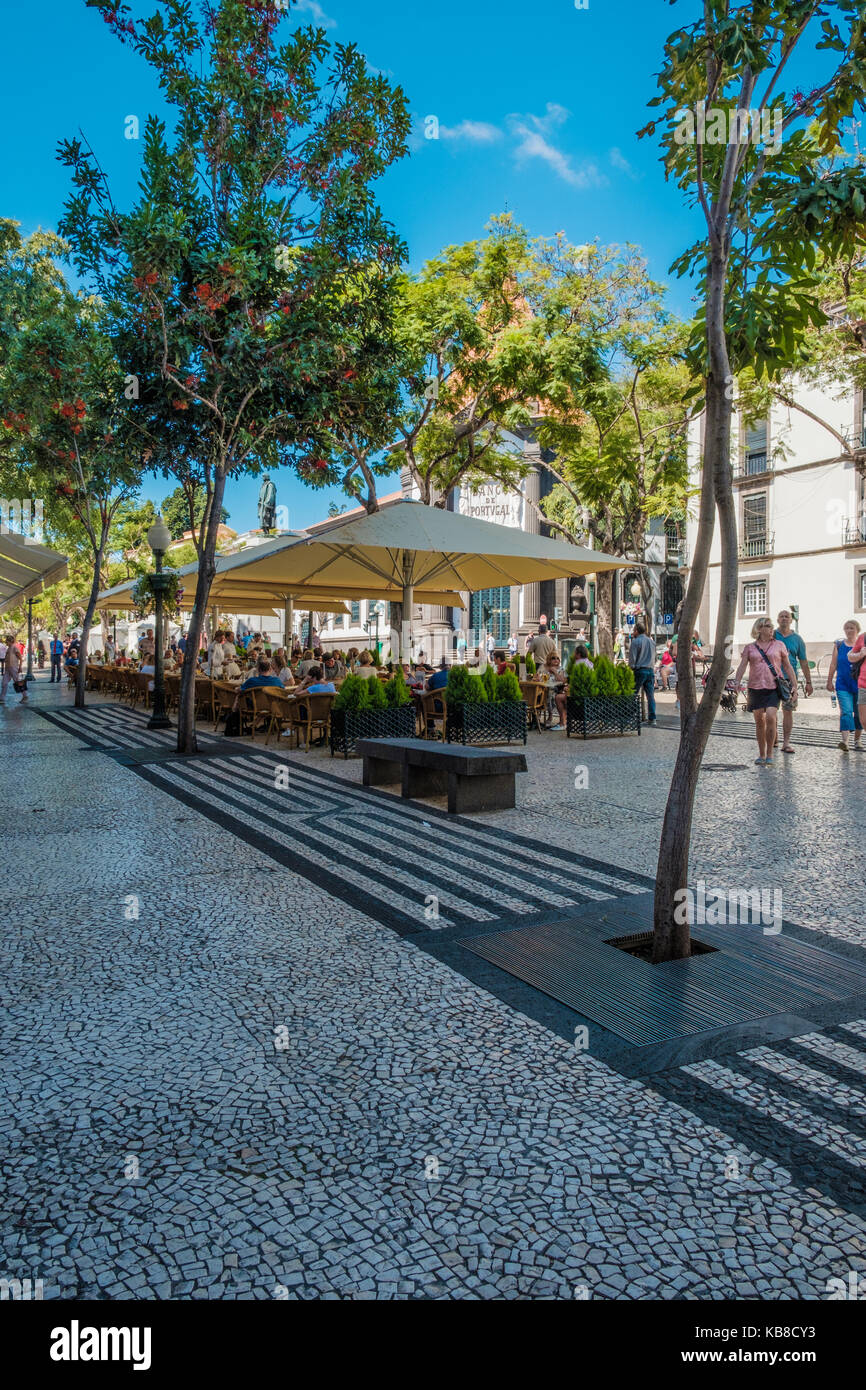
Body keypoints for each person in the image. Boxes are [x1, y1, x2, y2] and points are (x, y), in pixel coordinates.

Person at [733, 617, 797, 765]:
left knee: (770, 716)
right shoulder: (750, 647)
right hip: (755, 687)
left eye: (771, 626)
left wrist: (794, 686)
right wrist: (737, 681)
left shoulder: (779, 645)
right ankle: (761, 754)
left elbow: (787, 666)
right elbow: (742, 665)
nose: (771, 629)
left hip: (773, 687)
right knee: (759, 722)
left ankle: (770, 754)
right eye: (767, 626)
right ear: (759, 629)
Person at [773, 609, 811, 754]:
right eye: (781, 616)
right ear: (777, 620)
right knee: (771, 711)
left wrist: (808, 682)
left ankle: (786, 742)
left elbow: (803, 661)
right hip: (772, 678)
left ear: (791, 620)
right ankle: (773, 737)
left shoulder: (797, 639)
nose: (784, 619)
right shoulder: (772, 635)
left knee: (788, 711)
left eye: (786, 617)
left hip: (790, 679)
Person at [827, 620, 863, 752]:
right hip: (842, 684)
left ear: (857, 630)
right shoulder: (839, 645)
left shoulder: (861, 645)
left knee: (859, 714)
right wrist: (829, 680)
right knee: (846, 711)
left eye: (852, 628)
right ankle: (845, 741)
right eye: (846, 628)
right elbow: (833, 664)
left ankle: (858, 740)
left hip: (859, 684)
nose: (849, 631)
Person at [628, 622, 657, 726]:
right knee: (650, 695)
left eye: (634, 630)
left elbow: (632, 659)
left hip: (640, 670)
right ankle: (652, 718)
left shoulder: (635, 642)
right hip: (650, 670)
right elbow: (655, 657)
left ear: (636, 631)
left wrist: (631, 668)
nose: (633, 632)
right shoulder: (652, 642)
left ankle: (630, 716)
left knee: (633, 694)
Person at [0, 635, 27, 704]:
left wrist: (20, 667)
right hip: (7, 668)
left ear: (10, 641)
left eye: (7, 641)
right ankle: (2, 698)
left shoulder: (15, 648)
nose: (6, 643)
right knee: (4, 683)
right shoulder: (8, 648)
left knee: (18, 682)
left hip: (13, 667)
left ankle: (25, 696)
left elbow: (20, 658)